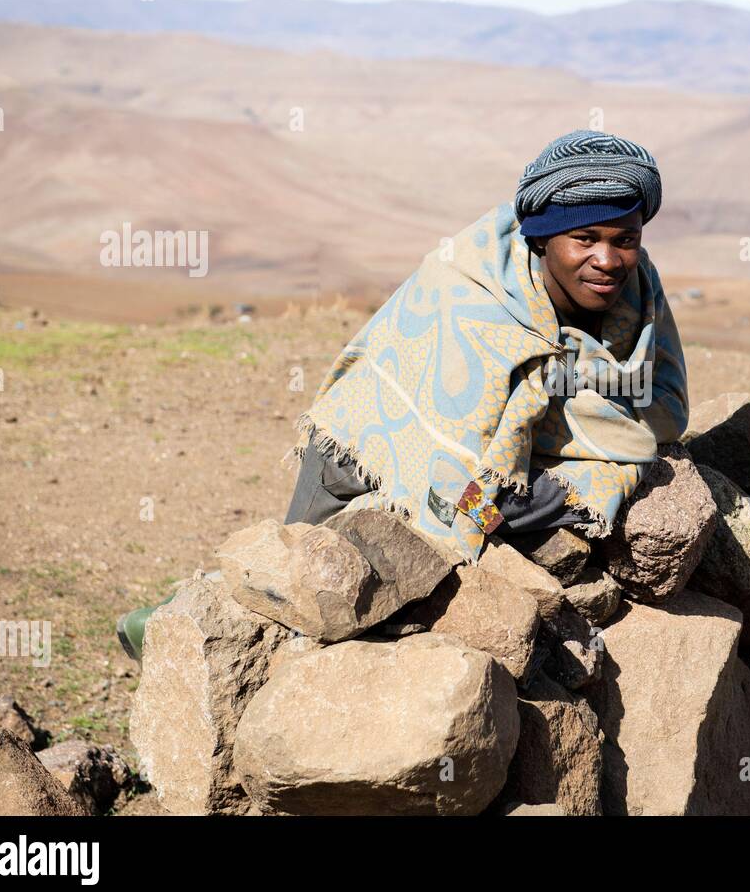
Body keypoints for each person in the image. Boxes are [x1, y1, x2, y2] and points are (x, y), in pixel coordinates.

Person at [116, 129, 689, 662]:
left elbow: (661, 406)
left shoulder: (640, 293)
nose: (608, 260)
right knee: (308, 588)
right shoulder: (474, 297)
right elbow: (471, 489)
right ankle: (167, 629)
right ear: (541, 238)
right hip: (372, 459)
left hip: (479, 461)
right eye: (584, 238)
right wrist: (585, 469)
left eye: (625, 240)